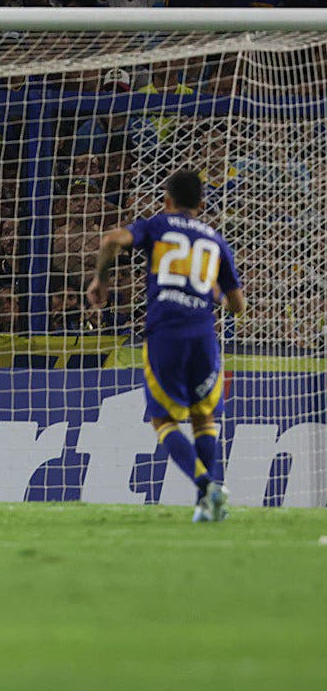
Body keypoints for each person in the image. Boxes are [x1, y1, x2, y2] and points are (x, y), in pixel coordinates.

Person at [86, 169, 244, 523]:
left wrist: (102, 279)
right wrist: (213, 293)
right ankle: (207, 503)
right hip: (204, 336)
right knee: (204, 416)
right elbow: (238, 305)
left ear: (166, 201)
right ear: (202, 204)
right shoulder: (216, 241)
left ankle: (207, 487)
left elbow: (112, 239)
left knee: (163, 419)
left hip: (166, 334)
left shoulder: (158, 225)